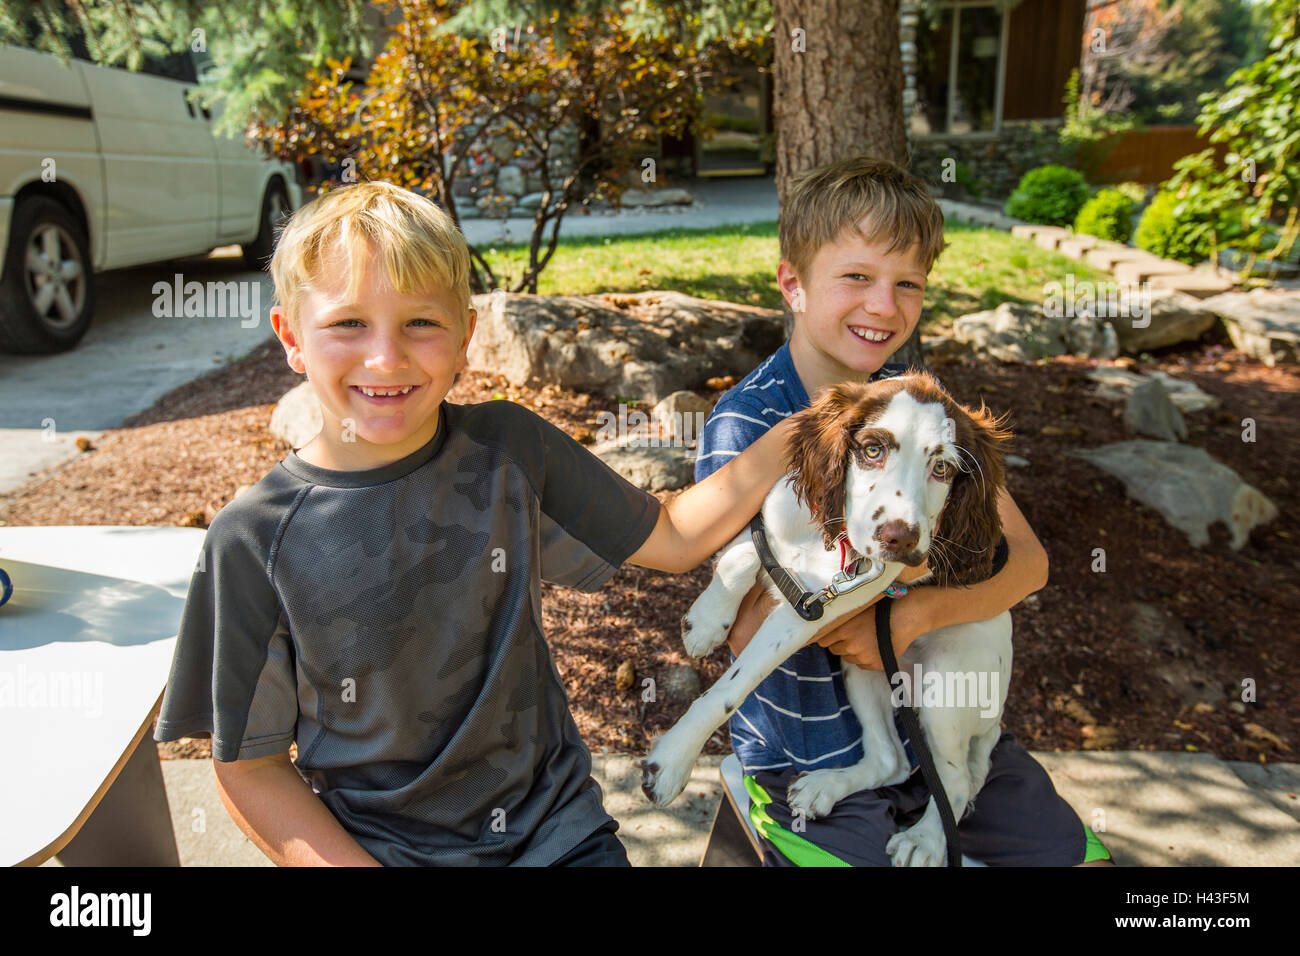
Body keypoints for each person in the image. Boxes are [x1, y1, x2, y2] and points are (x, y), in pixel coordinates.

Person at [152, 180, 798, 867]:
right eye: (348, 323)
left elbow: (674, 539)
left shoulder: (509, 452)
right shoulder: (250, 540)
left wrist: (806, 431)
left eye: (420, 323)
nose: (386, 357)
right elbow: (249, 767)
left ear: (464, 334)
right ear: (291, 337)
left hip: (557, 837)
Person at [694, 155, 1113, 867]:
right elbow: (742, 627)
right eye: (856, 277)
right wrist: (873, 603)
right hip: (807, 747)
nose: (883, 306)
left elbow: (1030, 564)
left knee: (1077, 862)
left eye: (908, 284)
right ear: (793, 284)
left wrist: (915, 616)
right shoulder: (750, 423)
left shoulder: (920, 401)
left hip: (936, 722)